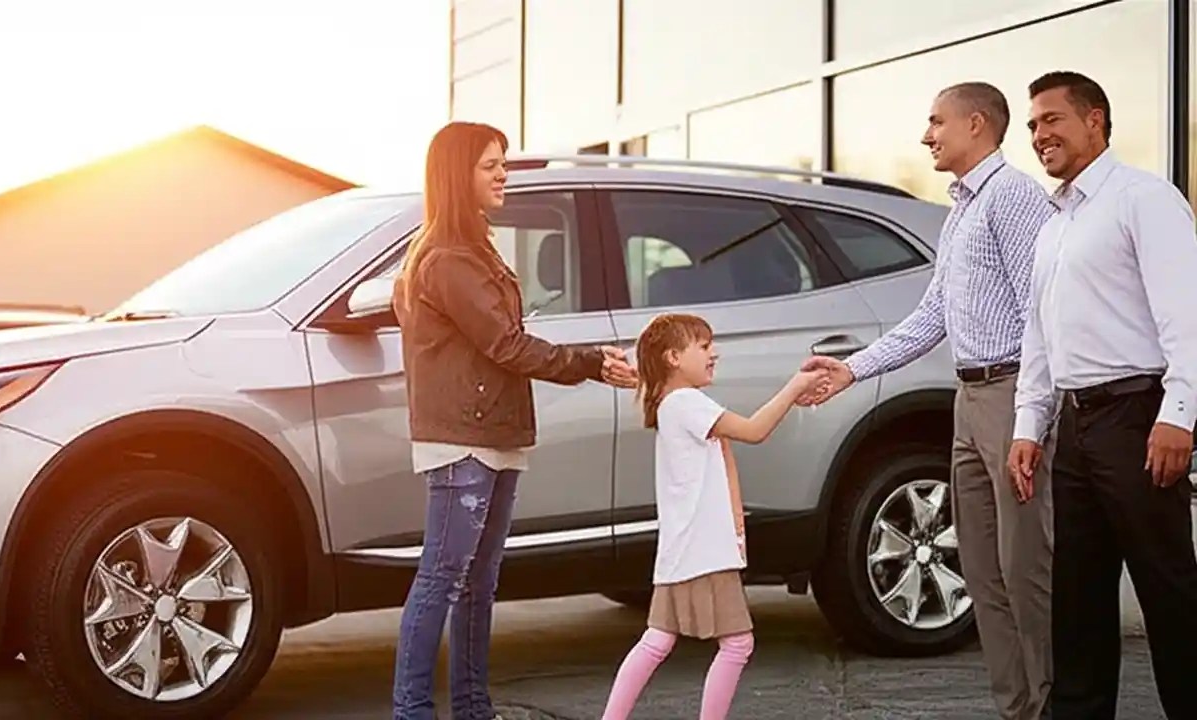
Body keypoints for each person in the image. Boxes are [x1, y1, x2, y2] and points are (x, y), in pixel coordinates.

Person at [801, 82, 1056, 720]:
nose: (926, 136)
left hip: (1013, 396)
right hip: (970, 400)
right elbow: (930, 317)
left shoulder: (1014, 198)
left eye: (936, 122)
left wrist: (1031, 418)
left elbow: (1042, 317)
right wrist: (852, 370)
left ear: (977, 125)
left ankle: (1054, 705)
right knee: (980, 568)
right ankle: (1018, 708)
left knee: (1024, 570)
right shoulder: (962, 210)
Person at [390, 120, 638, 720]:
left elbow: (499, 344)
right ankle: (412, 712)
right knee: (443, 578)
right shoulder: (447, 259)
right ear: (456, 175)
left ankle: (474, 709)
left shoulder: (472, 249)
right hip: (464, 440)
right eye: (488, 165)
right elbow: (505, 344)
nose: (502, 174)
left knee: (478, 582)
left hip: (493, 432)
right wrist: (587, 363)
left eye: (502, 162)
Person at [1007, 70, 1197, 720]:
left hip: (1138, 417)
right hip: (1076, 424)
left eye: (1051, 119)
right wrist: (1028, 426)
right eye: (1033, 124)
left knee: (1170, 593)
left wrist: (1179, 414)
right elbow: (1039, 334)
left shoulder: (1145, 198)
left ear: (1095, 120)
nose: (1039, 135)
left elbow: (1187, 315)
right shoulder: (1054, 224)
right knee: (1078, 602)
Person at [599, 313, 828, 720]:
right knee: (736, 645)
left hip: (684, 548)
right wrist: (796, 385)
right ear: (673, 357)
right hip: (702, 550)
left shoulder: (671, 402)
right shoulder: (687, 403)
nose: (713, 353)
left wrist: (736, 524)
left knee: (657, 641)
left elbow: (722, 456)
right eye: (703, 347)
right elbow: (755, 431)